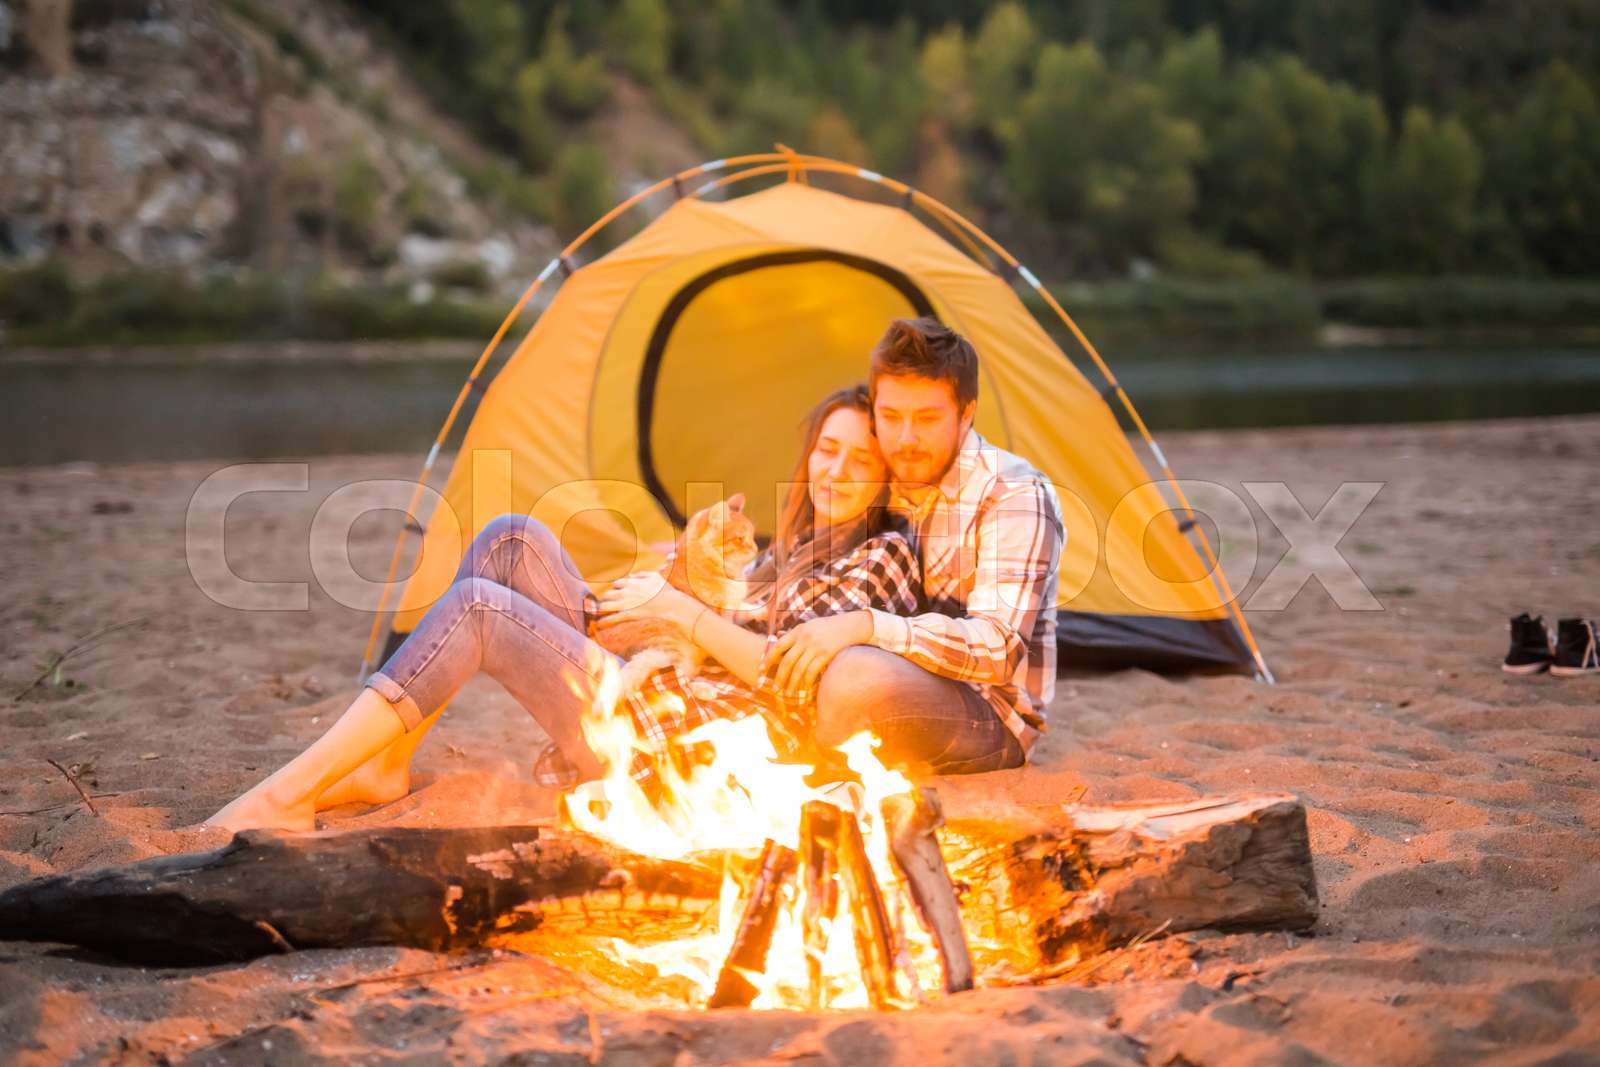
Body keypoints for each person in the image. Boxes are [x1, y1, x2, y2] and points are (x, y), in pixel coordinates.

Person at [204, 385, 919, 833]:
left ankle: (289, 792)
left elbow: (793, 680)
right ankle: (385, 761)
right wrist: (665, 592)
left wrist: (677, 608)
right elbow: (712, 622)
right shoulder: (795, 548)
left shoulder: (881, 555)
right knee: (512, 538)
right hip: (659, 688)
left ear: (888, 476)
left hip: (677, 747)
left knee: (481, 609)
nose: (835, 469)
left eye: (861, 460)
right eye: (827, 449)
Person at [759, 317, 1065, 775]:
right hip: (885, 665)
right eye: (891, 417)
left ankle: (807, 776)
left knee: (853, 677)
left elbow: (1000, 648)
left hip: (985, 714)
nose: (905, 439)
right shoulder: (884, 471)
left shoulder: (1016, 495)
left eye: (926, 419)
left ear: (966, 414)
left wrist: (864, 625)